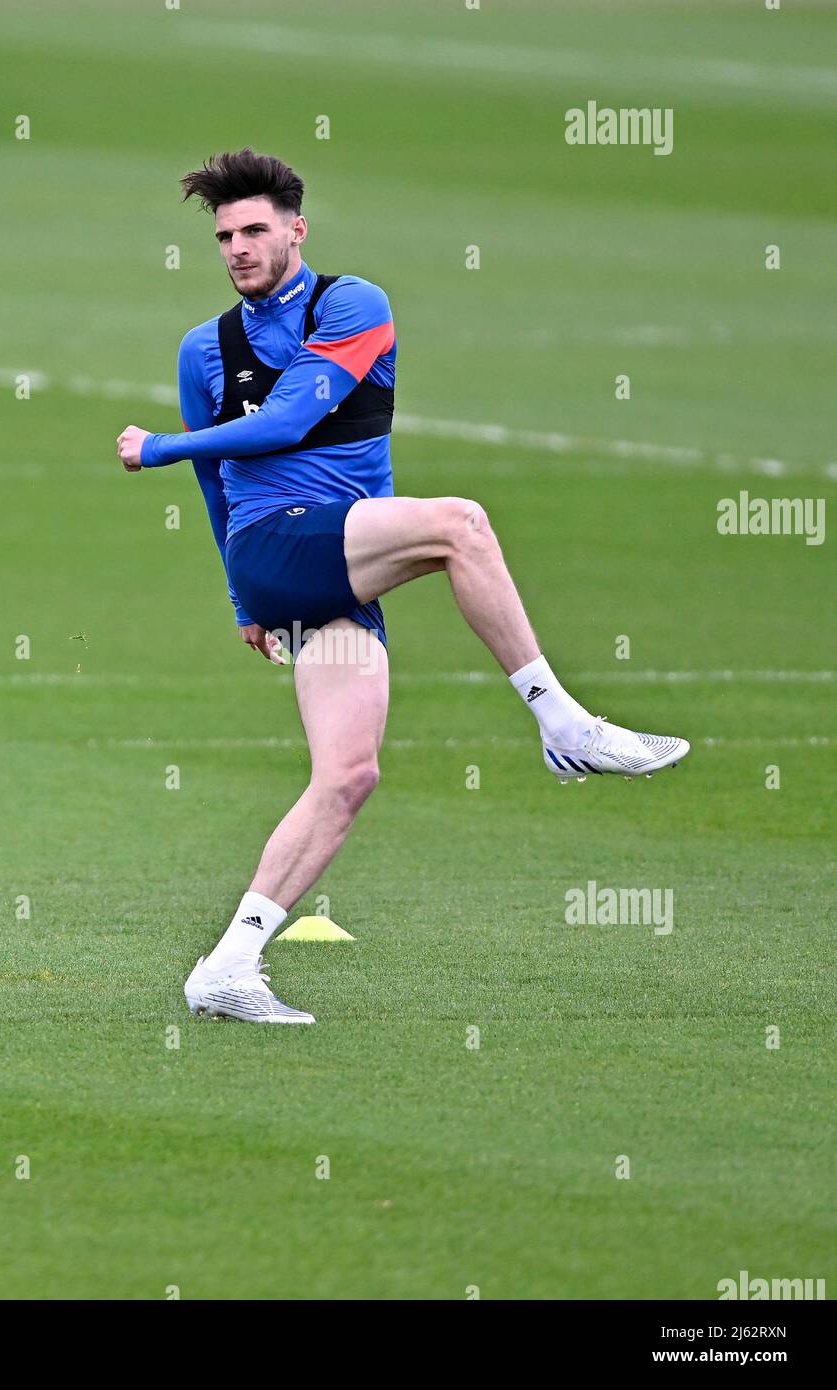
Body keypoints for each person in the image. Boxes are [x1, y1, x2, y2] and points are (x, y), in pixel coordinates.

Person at [116, 148, 688, 1025]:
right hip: (272, 549)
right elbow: (216, 480)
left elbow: (291, 419)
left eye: (253, 230)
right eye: (225, 235)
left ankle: (226, 966)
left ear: (295, 230)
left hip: (338, 559)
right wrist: (239, 597)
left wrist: (156, 445)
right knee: (459, 525)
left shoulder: (351, 305)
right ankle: (562, 722)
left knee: (346, 777)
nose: (236, 247)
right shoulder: (204, 349)